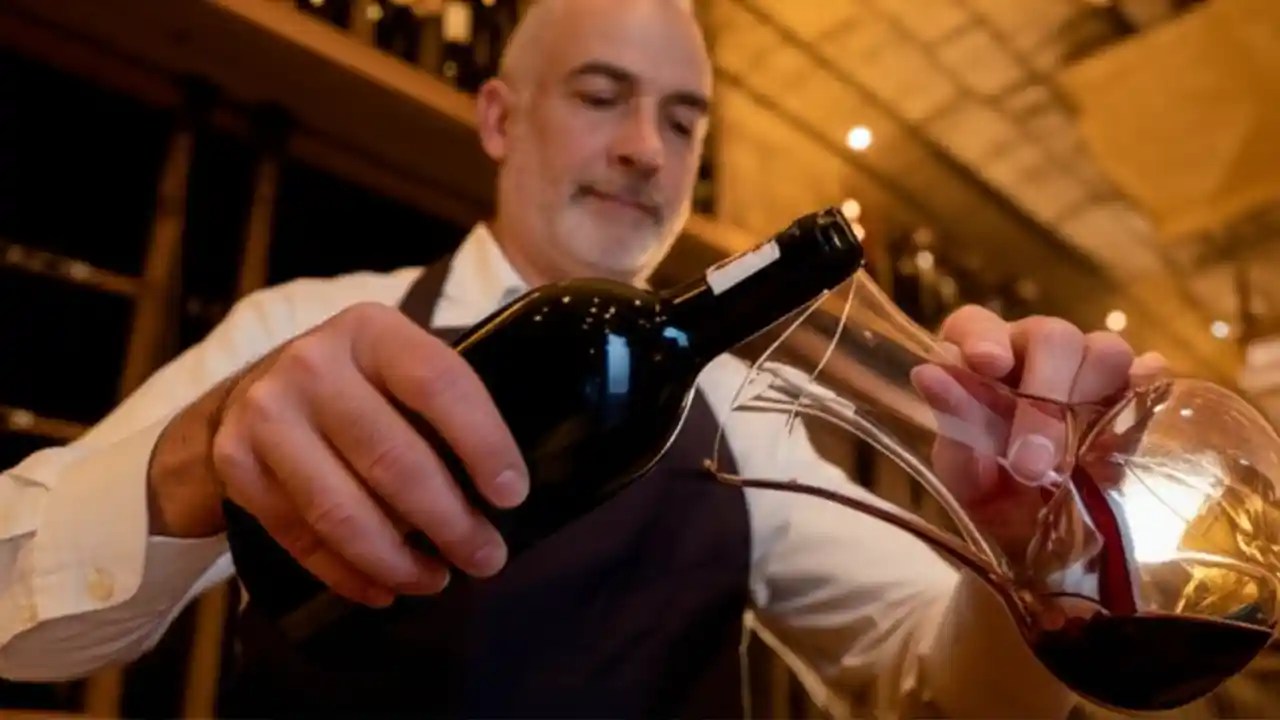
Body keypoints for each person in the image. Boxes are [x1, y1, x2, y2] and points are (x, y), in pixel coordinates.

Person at [0, 0, 1167, 716]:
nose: (643, 152)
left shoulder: (737, 412)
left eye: (681, 119)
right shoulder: (295, 328)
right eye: (601, 97)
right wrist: (195, 457)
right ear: (501, 118)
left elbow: (927, 687)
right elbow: (23, 620)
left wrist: (1025, 572)